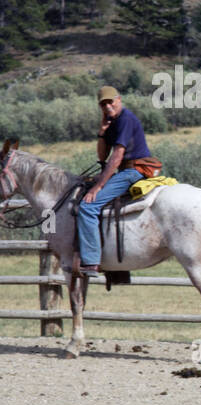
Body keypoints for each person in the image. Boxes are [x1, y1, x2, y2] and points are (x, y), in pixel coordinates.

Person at [77, 86, 153, 276]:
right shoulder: (113, 123)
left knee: (88, 207)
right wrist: (102, 132)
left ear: (119, 99)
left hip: (132, 171)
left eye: (111, 102)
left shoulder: (126, 119)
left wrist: (98, 186)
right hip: (124, 171)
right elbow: (103, 157)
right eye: (103, 104)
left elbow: (117, 156)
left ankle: (92, 261)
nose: (108, 106)